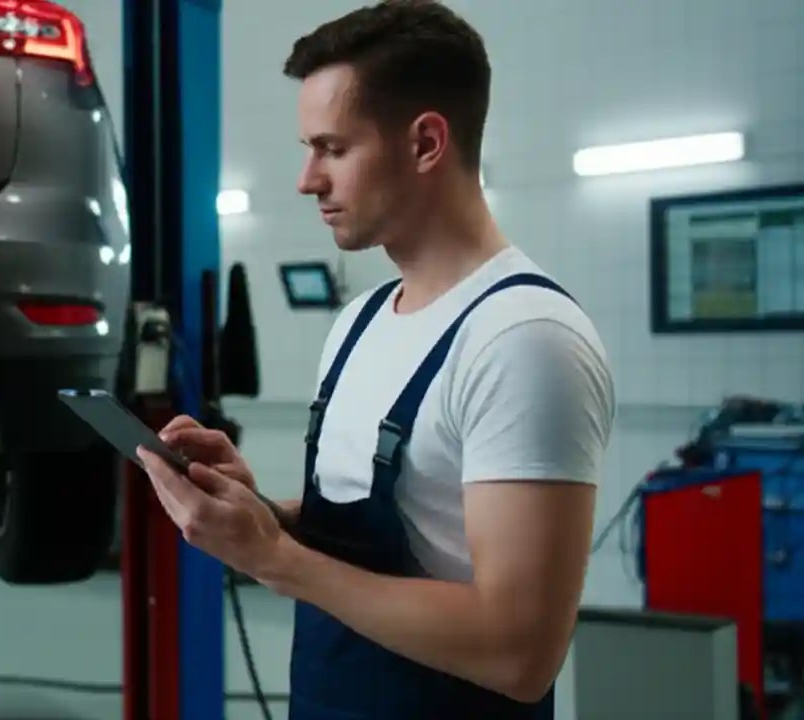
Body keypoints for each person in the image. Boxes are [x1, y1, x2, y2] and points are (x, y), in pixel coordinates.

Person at [135, 1, 616, 718]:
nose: (307, 179)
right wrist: (260, 513)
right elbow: (366, 538)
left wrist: (275, 560)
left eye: (333, 148)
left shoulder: (524, 340)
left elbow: (520, 654)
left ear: (425, 143)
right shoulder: (359, 322)